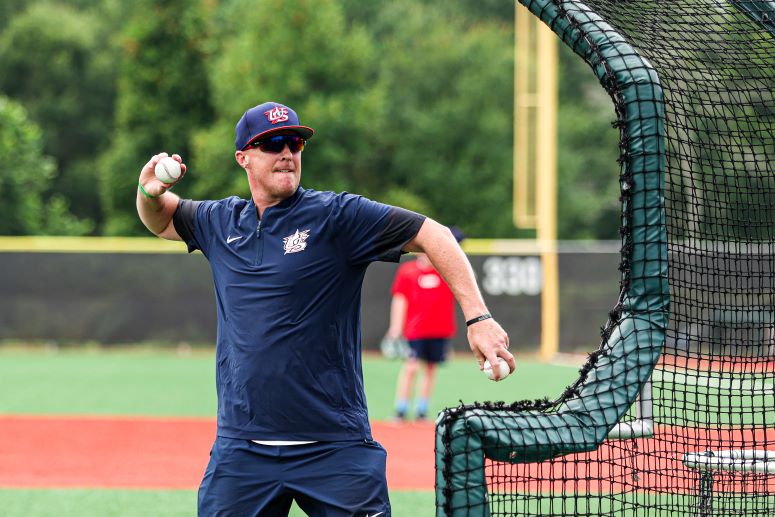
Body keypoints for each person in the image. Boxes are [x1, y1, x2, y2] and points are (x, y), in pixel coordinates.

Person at [136, 101, 513, 516]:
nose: (287, 152)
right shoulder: (221, 222)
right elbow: (160, 219)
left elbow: (434, 234)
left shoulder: (336, 216)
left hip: (334, 447)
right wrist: (148, 191)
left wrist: (479, 317)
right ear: (243, 157)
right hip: (243, 449)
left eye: (295, 143)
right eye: (272, 143)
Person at [387, 228, 464, 422]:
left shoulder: (446, 271)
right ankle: (401, 409)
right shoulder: (408, 271)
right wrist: (396, 327)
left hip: (440, 329)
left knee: (431, 369)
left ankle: (422, 410)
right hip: (415, 330)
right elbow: (399, 299)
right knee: (411, 367)